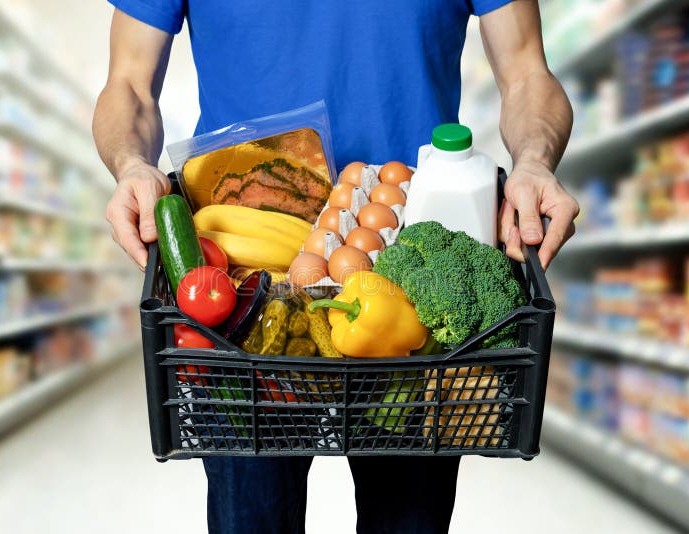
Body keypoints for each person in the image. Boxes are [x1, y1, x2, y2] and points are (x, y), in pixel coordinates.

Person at [93, 1, 579, 532]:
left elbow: (528, 71)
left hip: (411, 281)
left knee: (407, 521)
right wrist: (131, 164)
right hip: (241, 287)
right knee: (252, 520)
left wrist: (533, 160)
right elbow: (129, 86)